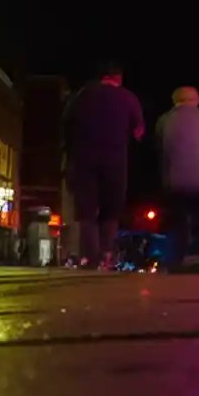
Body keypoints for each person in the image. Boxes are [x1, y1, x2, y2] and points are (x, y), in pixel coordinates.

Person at [62, 61, 145, 269]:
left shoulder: (82, 95)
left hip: (84, 158)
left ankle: (89, 256)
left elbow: (66, 125)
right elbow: (139, 132)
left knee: (87, 210)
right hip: (114, 160)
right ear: (118, 78)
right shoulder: (128, 98)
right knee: (111, 209)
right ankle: (107, 254)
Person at [154, 86, 199, 273]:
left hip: (176, 181)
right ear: (197, 100)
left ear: (175, 101)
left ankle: (178, 259)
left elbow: (160, 152)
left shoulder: (165, 121)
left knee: (178, 220)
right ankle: (198, 256)